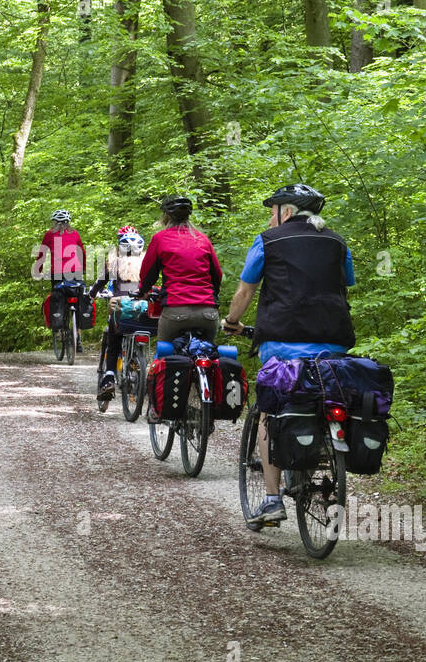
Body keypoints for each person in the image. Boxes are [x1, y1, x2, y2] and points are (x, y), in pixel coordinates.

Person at [222, 183, 356, 525]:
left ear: (288, 211)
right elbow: (344, 285)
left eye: (273, 210)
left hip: (282, 343)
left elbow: (246, 289)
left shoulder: (268, 241)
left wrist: (232, 321)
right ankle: (324, 447)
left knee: (271, 412)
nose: (270, 217)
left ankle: (271, 499)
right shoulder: (337, 242)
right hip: (334, 342)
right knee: (322, 397)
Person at [137, 196, 224, 420]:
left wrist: (143, 291)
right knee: (209, 356)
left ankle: (157, 409)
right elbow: (217, 274)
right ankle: (209, 406)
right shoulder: (202, 239)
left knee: (162, 357)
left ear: (165, 216)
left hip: (175, 310)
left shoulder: (160, 238)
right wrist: (210, 295)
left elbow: (148, 274)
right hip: (207, 312)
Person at [88, 226, 146, 398]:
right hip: (142, 307)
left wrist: (91, 294)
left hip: (120, 307)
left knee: (114, 344)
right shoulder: (146, 263)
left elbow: (100, 282)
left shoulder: (115, 262)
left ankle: (109, 377)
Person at [38, 208, 87, 352]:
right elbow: (82, 252)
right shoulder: (75, 234)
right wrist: (83, 267)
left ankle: (58, 330)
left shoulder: (49, 234)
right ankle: (78, 336)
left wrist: (39, 271)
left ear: (54, 222)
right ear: (68, 223)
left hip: (57, 273)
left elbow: (42, 254)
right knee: (77, 299)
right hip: (75, 271)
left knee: (57, 296)